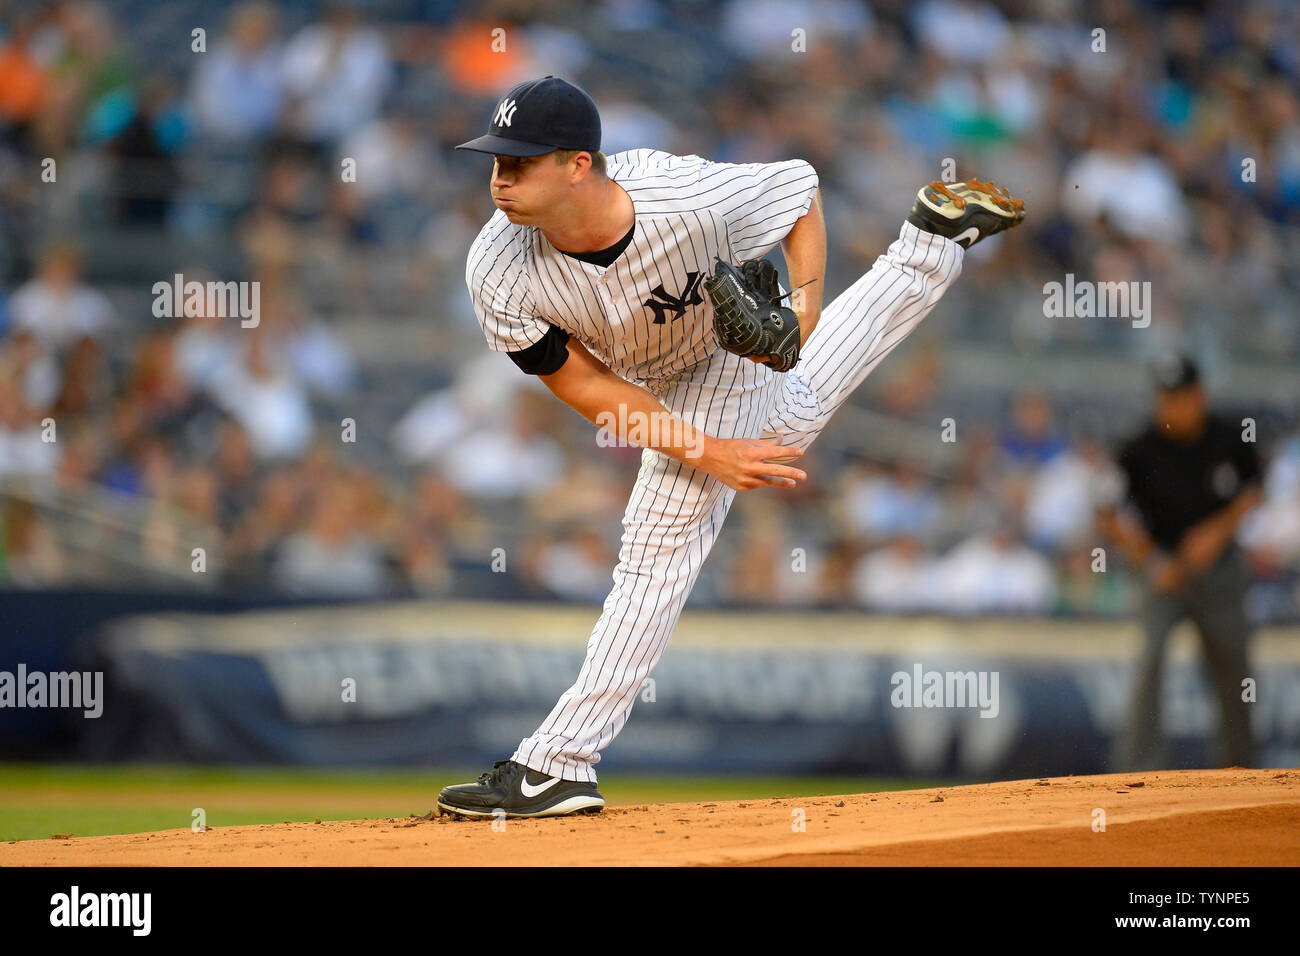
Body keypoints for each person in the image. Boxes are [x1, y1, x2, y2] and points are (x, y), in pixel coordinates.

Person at [438, 76, 1025, 817]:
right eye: (495, 161)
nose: (499, 178)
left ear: (578, 164)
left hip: (719, 356)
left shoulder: (686, 200)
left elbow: (800, 189)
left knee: (656, 548)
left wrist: (804, 316)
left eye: (520, 162)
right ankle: (927, 247)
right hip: (654, 379)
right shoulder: (496, 266)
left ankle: (557, 763)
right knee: (790, 415)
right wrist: (704, 448)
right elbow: (586, 388)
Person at [1098, 354, 1261, 772]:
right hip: (1162, 573)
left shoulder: (1229, 437)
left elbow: (1253, 490)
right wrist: (1150, 559)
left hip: (1219, 571)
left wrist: (1216, 533)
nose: (1174, 407)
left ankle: (1241, 772)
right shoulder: (1137, 448)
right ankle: (1136, 774)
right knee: (1150, 662)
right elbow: (1107, 511)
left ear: (1200, 396)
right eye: (1167, 398)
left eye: (1182, 397)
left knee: (1233, 670)